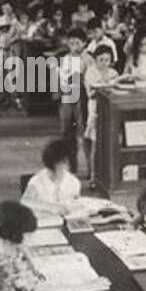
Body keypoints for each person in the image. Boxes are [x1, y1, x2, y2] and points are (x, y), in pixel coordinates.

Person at [82, 44, 120, 187]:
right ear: (95, 60)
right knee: (95, 144)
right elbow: (90, 93)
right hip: (95, 110)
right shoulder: (91, 72)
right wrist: (104, 86)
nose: (104, 63)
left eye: (107, 60)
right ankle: (93, 176)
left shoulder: (113, 73)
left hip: (110, 110)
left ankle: (108, 176)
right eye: (101, 60)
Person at [21, 137, 83, 215]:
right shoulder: (37, 181)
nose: (65, 167)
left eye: (67, 163)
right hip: (44, 222)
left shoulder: (74, 182)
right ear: (52, 162)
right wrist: (51, 207)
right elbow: (25, 202)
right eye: (62, 162)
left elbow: (75, 204)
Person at [56, 27, 90, 162]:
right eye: (71, 43)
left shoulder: (88, 58)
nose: (74, 46)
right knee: (66, 129)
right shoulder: (65, 58)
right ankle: (71, 163)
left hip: (82, 94)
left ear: (84, 43)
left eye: (77, 43)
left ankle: (90, 167)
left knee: (83, 130)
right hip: (68, 94)